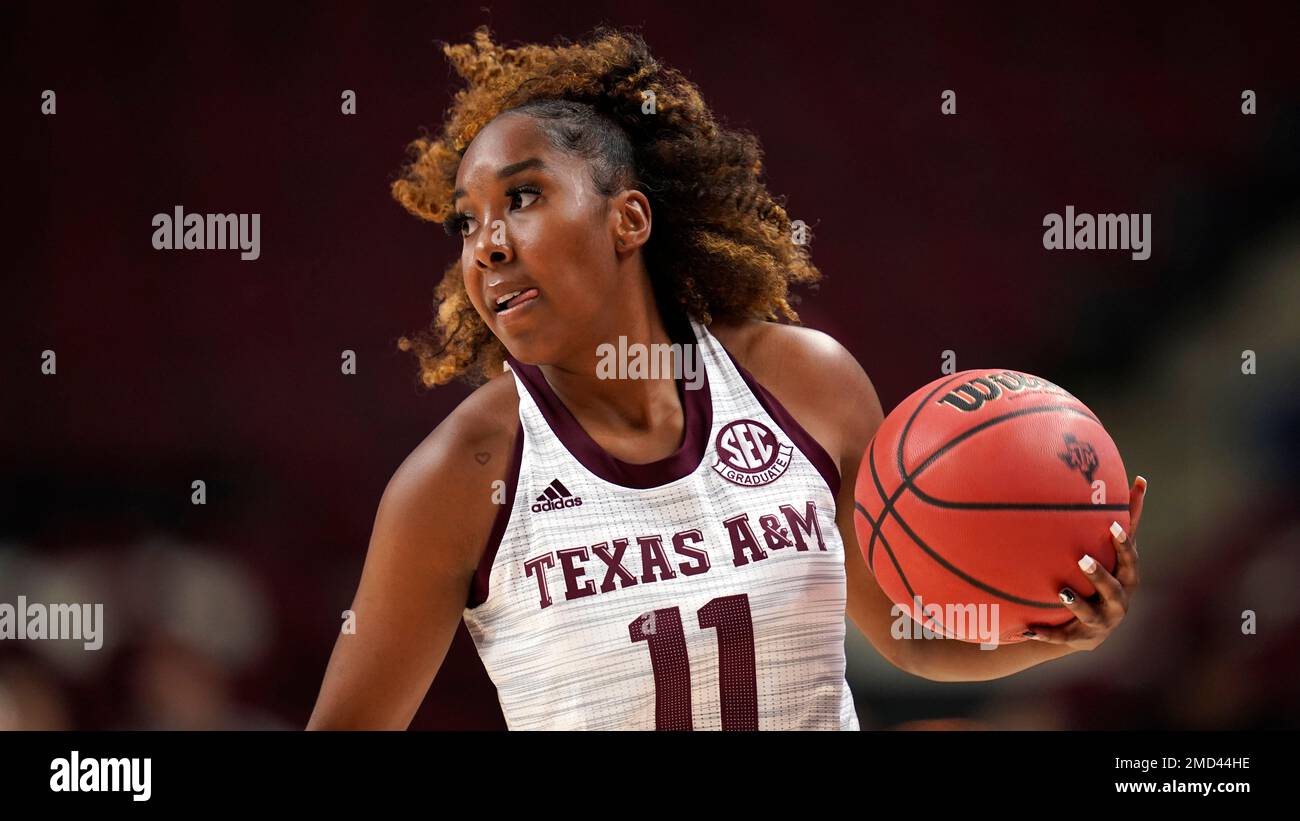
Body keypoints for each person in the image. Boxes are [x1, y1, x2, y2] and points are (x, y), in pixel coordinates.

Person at [307, 26, 1145, 730]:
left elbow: (908, 634)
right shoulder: (462, 476)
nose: (486, 245)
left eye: (523, 197)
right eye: (467, 221)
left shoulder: (803, 381)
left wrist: (1059, 632)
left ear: (627, 218)